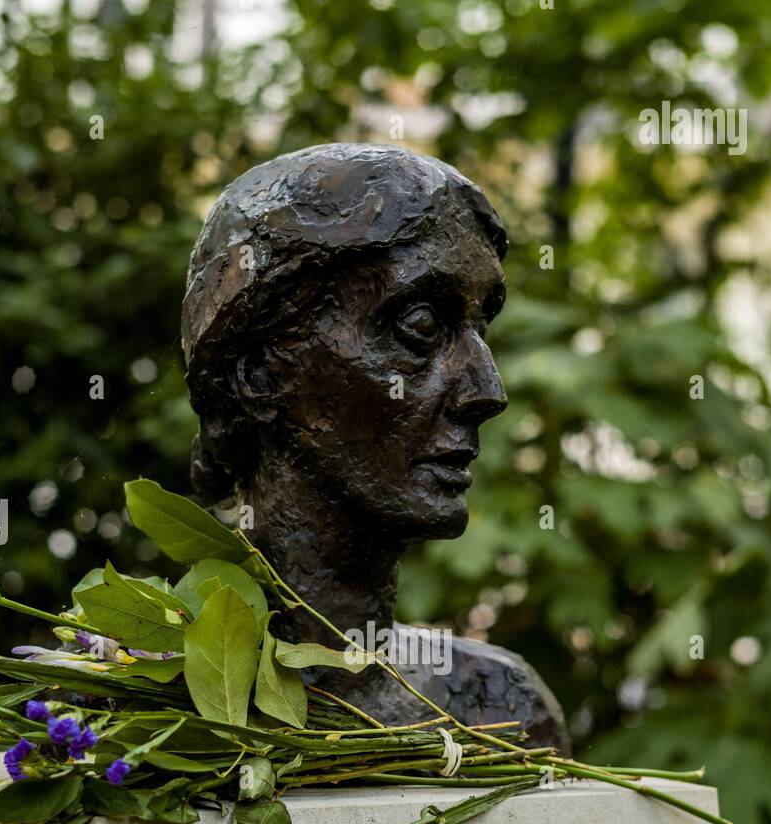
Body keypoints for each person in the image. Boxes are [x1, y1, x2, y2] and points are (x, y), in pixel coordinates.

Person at [182, 143, 568, 752]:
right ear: (259, 372)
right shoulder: (126, 707)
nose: (487, 392)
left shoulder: (500, 710)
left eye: (480, 328)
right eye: (419, 327)